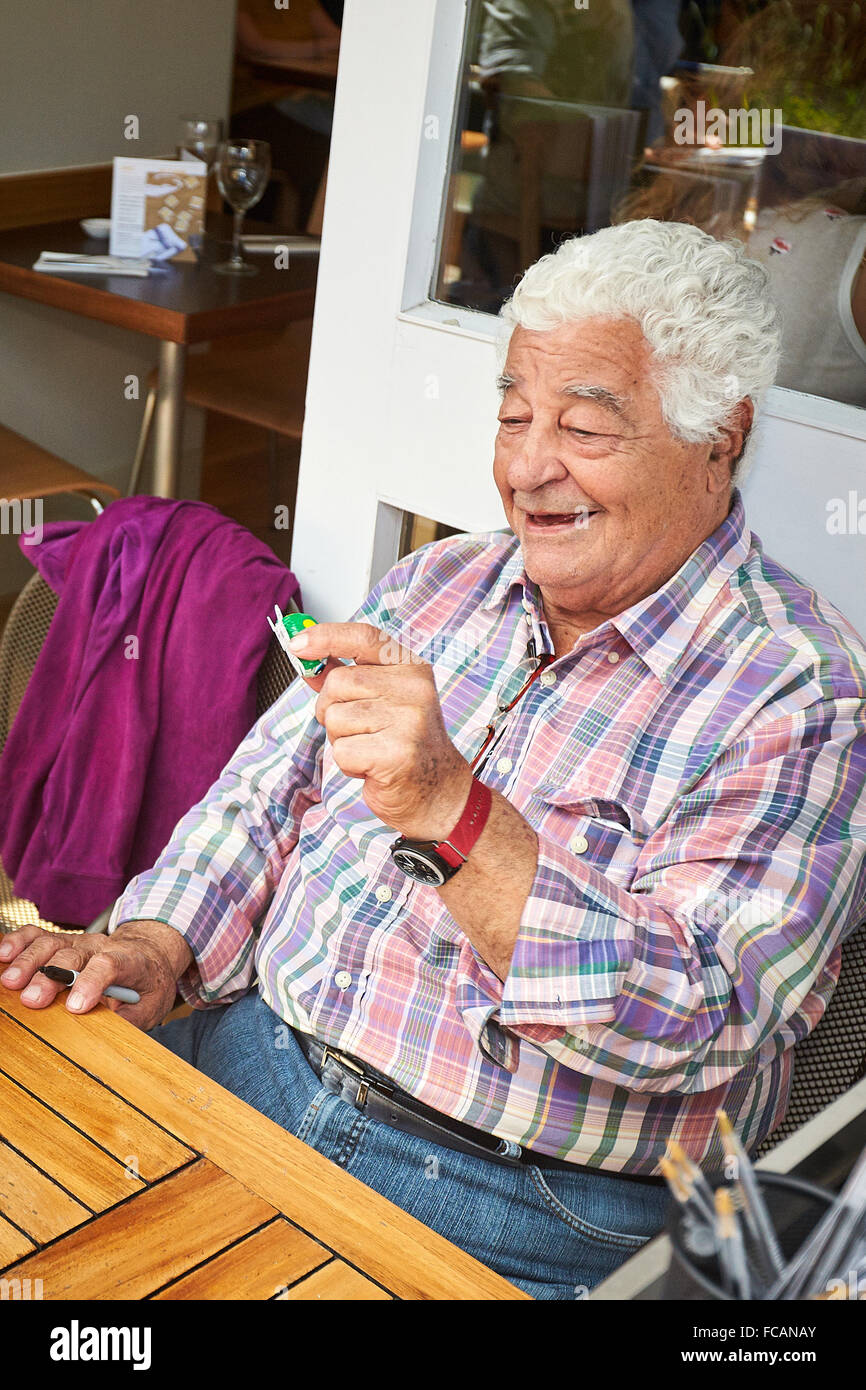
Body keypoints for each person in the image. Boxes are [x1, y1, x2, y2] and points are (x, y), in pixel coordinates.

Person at [3, 220, 866, 1301]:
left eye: (584, 428)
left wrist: (456, 815)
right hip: (252, 1068)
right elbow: (265, 797)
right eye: (512, 417)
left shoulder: (797, 691)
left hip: (514, 1207)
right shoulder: (441, 584)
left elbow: (704, 1022)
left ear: (717, 437)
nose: (524, 466)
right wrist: (153, 946)